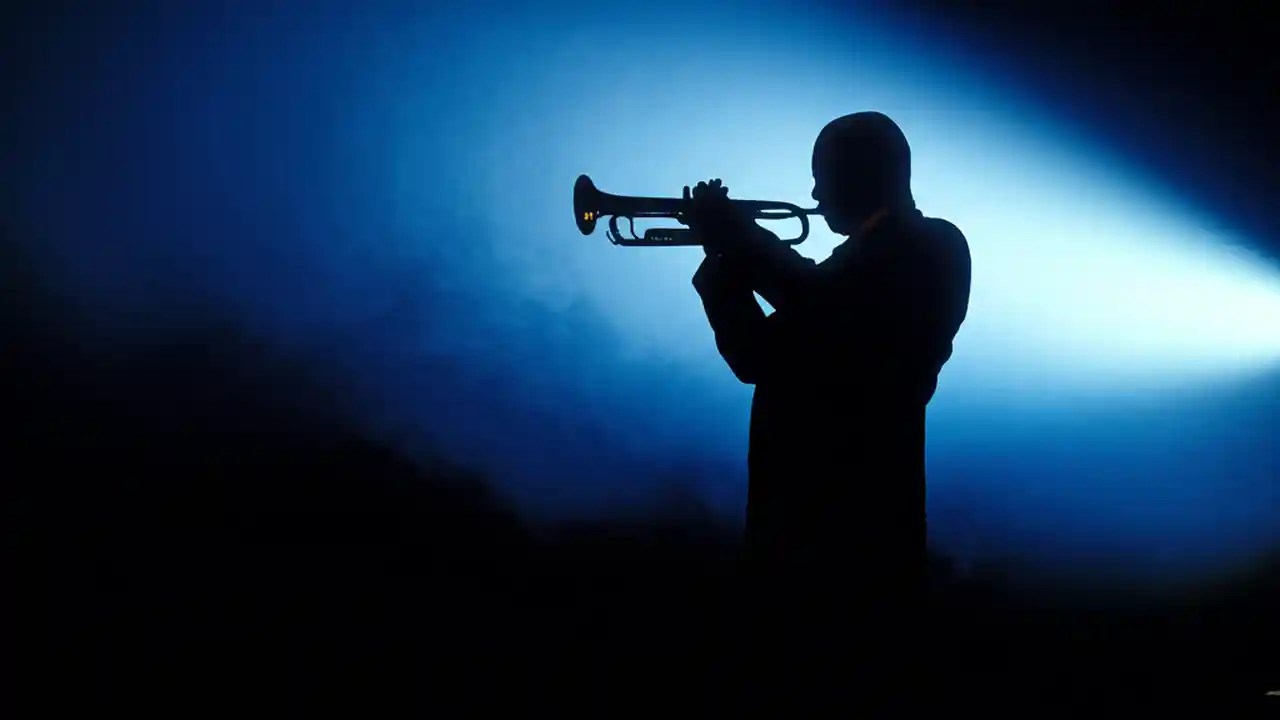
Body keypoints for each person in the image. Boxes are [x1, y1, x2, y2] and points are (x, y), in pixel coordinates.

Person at [682, 111, 971, 714]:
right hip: (785, 524)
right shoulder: (844, 264)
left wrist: (740, 241)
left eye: (822, 175)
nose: (812, 193)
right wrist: (723, 276)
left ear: (865, 173)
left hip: (862, 535)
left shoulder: (932, 245)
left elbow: (823, 307)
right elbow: (758, 359)